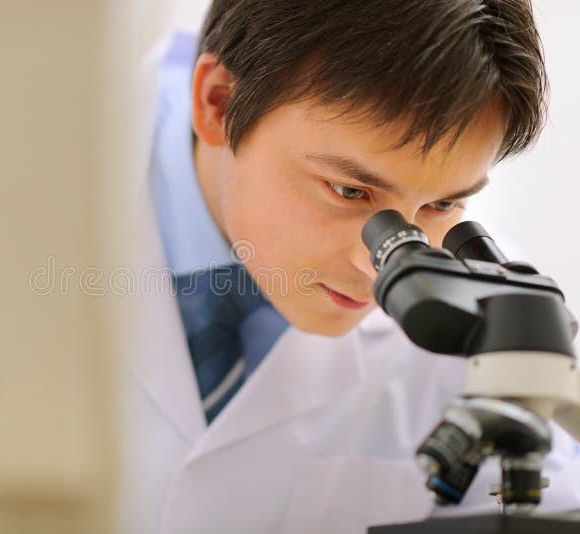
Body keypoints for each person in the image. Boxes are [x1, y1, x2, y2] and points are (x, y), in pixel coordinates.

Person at [118, 1, 580, 533]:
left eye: (442, 205)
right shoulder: (25, 202)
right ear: (218, 102)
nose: (378, 266)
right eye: (350, 191)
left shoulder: (487, 321)